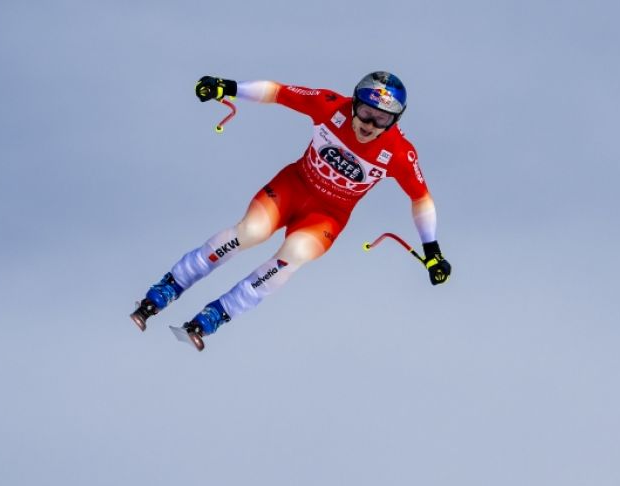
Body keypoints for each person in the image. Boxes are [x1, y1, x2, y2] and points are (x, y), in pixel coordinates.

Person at [131, 71, 451, 350]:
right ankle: (167, 288)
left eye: (382, 119)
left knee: (292, 257)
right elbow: (278, 92)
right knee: (249, 232)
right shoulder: (329, 105)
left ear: (395, 120)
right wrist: (226, 87)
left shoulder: (399, 152)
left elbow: (421, 199)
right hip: (292, 188)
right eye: (366, 112)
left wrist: (432, 250)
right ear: (354, 103)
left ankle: (216, 315)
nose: (369, 124)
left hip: (326, 216)